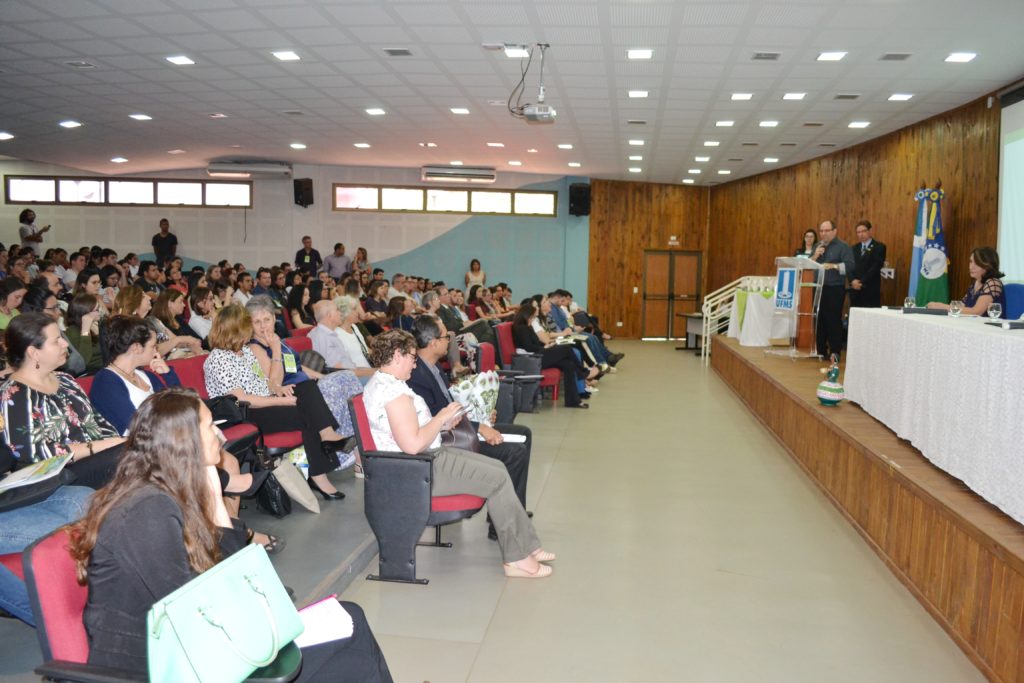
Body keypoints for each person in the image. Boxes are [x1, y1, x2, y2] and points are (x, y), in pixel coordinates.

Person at [68, 390, 394, 682]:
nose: (220, 436)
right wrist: (218, 510)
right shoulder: (144, 512)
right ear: (184, 441)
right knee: (348, 629)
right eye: (210, 427)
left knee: (348, 620)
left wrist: (218, 507)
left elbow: (214, 586)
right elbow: (197, 604)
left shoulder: (167, 491)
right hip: (158, 664)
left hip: (194, 641)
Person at [363, 330, 553, 578]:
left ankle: (525, 547)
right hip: (418, 469)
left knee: (498, 470)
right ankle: (518, 558)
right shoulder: (393, 394)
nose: (414, 361)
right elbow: (412, 444)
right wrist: (440, 417)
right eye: (411, 356)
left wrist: (441, 424)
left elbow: (412, 434)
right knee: (496, 478)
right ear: (397, 356)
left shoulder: (388, 384)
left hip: (420, 462)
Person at [407, 315, 532, 540]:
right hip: (448, 440)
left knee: (524, 434)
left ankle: (510, 510)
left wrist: (480, 417)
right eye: (446, 336)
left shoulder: (433, 368)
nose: (449, 340)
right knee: (514, 452)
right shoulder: (416, 376)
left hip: (459, 429)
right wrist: (479, 427)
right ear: (433, 342)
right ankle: (502, 524)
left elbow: (450, 407)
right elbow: (434, 419)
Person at [204, 305, 347, 499]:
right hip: (245, 413)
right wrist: (282, 402)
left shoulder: (245, 352)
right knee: (302, 411)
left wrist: (278, 389)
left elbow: (268, 383)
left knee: (306, 387)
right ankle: (318, 474)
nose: (253, 331)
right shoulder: (219, 358)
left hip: (265, 401)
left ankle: (328, 436)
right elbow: (241, 399)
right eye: (248, 326)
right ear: (236, 329)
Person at [0, 313, 125, 488]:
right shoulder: (13, 396)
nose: (65, 344)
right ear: (33, 352)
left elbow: (97, 421)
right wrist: (102, 446)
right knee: (128, 454)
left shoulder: (65, 379)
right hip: (60, 476)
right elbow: (33, 454)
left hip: (102, 459)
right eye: (56, 340)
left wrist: (116, 441)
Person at [511, 301, 597, 408]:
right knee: (566, 348)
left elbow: (535, 343)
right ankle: (582, 372)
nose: (533, 319)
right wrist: (544, 347)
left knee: (568, 364)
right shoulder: (521, 328)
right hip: (531, 359)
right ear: (526, 316)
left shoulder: (527, 327)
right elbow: (528, 347)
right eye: (532, 317)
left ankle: (573, 401)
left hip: (536, 354)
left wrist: (547, 345)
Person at [811, 219, 854, 361]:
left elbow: (850, 266)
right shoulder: (817, 246)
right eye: (821, 231)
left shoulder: (843, 247)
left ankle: (835, 352)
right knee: (819, 319)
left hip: (834, 288)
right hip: (818, 287)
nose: (823, 234)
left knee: (832, 320)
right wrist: (815, 256)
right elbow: (810, 264)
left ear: (834, 231)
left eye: (826, 231)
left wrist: (834, 266)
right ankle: (820, 350)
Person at [927, 246, 1007, 317]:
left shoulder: (993, 283)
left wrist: (943, 307)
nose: (971, 267)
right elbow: (962, 307)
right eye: (971, 261)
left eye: (977, 263)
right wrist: (938, 306)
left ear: (988, 265)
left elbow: (976, 312)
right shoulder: (975, 284)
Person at [308, 299, 375, 380]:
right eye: (337, 310)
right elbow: (340, 371)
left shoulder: (329, 334)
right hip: (346, 380)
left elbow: (352, 368)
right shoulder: (322, 337)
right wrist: (375, 372)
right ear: (330, 315)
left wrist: (376, 370)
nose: (340, 313)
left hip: (352, 375)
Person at [849, 220, 886, 308]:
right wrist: (852, 281)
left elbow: (875, 267)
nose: (861, 234)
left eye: (863, 231)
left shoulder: (879, 247)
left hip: (870, 289)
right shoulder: (853, 248)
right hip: (855, 290)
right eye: (858, 232)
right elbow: (849, 266)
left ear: (870, 231)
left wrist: (861, 282)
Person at [64, 293, 104, 373]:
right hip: (92, 372)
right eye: (96, 310)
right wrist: (85, 330)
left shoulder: (98, 324)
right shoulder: (73, 332)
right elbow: (83, 361)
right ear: (85, 314)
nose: (99, 312)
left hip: (107, 367)